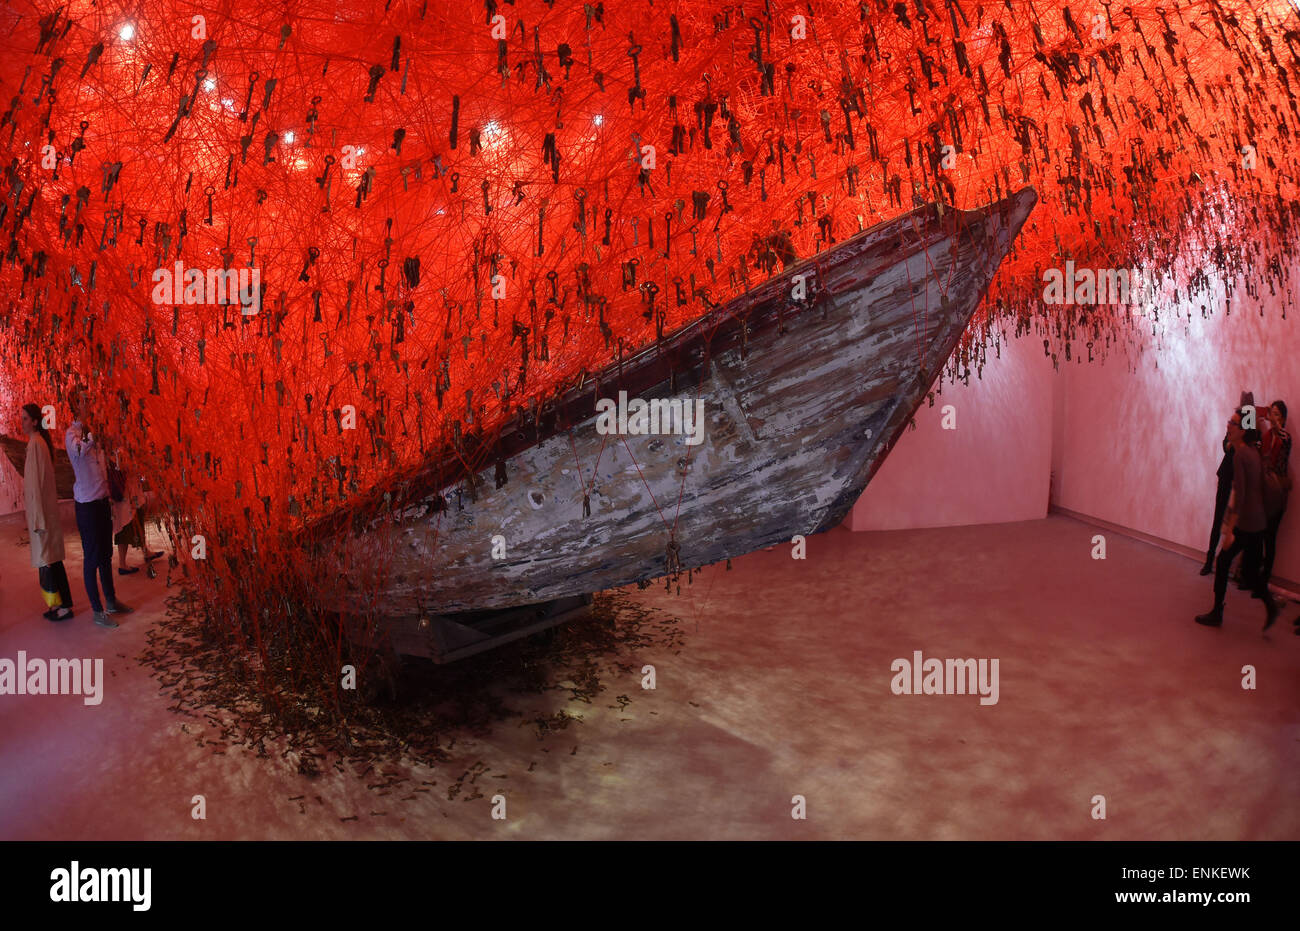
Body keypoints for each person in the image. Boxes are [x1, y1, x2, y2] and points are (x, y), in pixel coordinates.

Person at [1196, 409, 1280, 630]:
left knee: (1223, 562)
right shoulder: (1253, 452)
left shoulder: (1241, 455)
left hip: (1246, 523)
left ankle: (1216, 612)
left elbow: (1240, 495)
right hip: (1258, 521)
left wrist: (1230, 531)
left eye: (1232, 423)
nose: (1228, 426)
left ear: (1242, 430)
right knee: (1251, 573)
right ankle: (1271, 605)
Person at [64, 389, 131, 628]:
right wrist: (94, 433)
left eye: (90, 400)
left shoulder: (95, 435)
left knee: (105, 556)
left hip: (102, 502)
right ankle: (97, 610)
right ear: (76, 406)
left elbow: (103, 468)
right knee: (91, 559)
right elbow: (80, 451)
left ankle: (111, 600)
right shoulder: (72, 435)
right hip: (87, 506)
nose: (90, 404)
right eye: (85, 401)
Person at [20, 403, 74, 621]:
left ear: (34, 421)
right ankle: (61, 604)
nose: (22, 423)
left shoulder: (35, 445)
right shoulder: (39, 443)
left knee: (50, 561)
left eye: (25, 419)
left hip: (41, 516)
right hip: (43, 514)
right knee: (52, 559)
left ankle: (63, 606)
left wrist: (37, 519)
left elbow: (36, 486)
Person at [1259, 400, 1291, 597]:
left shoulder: (1285, 437)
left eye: (1277, 414)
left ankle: (1264, 580)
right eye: (1272, 413)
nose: (1273, 417)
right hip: (1264, 491)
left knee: (1270, 537)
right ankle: (1254, 577)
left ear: (1284, 418)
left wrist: (1278, 427)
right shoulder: (1266, 435)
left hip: (1277, 494)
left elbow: (1285, 450)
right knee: (1259, 535)